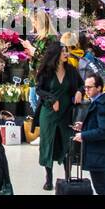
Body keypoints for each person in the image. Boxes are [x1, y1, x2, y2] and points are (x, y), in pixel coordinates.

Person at [36, 42, 83, 191]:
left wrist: (79, 91)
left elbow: (81, 84)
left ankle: (68, 176)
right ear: (56, 54)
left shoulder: (71, 70)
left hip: (66, 113)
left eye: (66, 51)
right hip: (48, 114)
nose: (66, 54)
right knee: (48, 144)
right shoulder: (46, 71)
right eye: (63, 51)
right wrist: (52, 99)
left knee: (67, 144)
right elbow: (39, 90)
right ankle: (48, 178)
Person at [73, 71, 105, 195]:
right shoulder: (99, 102)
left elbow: (104, 130)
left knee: (101, 187)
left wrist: (83, 135)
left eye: (89, 87)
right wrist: (84, 126)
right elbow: (98, 125)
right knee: (102, 185)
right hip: (99, 153)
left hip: (100, 154)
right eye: (85, 87)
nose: (86, 90)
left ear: (99, 88)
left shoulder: (101, 106)